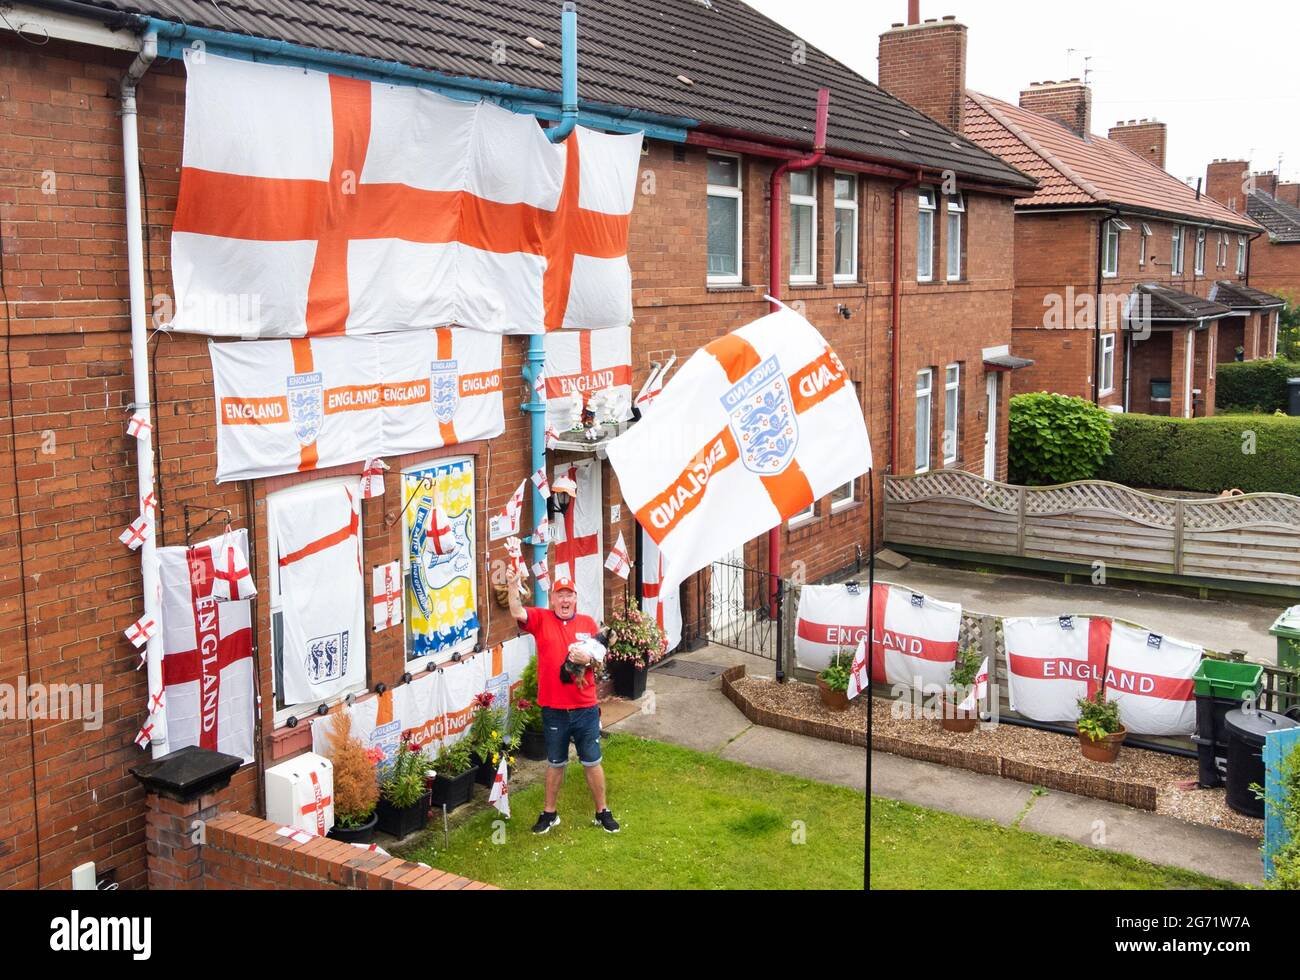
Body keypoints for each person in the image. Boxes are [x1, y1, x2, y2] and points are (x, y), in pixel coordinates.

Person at [507, 567, 620, 834]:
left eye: (569, 595)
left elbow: (601, 659)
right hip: (554, 709)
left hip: (585, 708)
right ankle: (549, 813)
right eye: (560, 595)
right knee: (555, 763)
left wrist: (588, 659)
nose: (565, 600)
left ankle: (602, 812)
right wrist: (513, 586)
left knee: (592, 761)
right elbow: (516, 612)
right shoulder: (541, 619)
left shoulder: (588, 625)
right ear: (553, 599)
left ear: (576, 599)